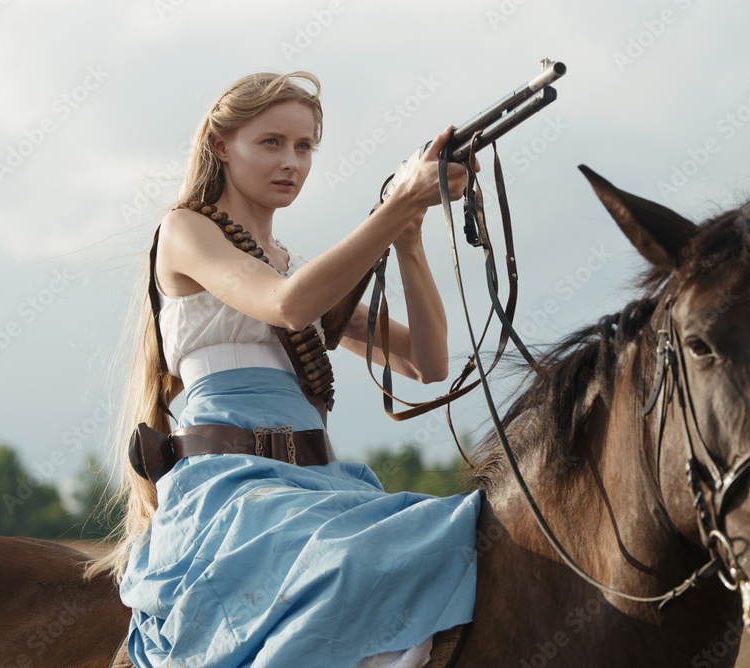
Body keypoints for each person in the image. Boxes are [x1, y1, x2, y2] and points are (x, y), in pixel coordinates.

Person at [86, 71, 484, 667]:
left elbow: (425, 362)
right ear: (221, 146)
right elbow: (287, 304)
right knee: (349, 563)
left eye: (304, 147)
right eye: (270, 142)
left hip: (314, 485)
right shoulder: (186, 230)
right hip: (231, 488)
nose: (291, 162)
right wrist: (397, 201)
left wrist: (407, 237)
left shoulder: (293, 267)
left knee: (457, 535)